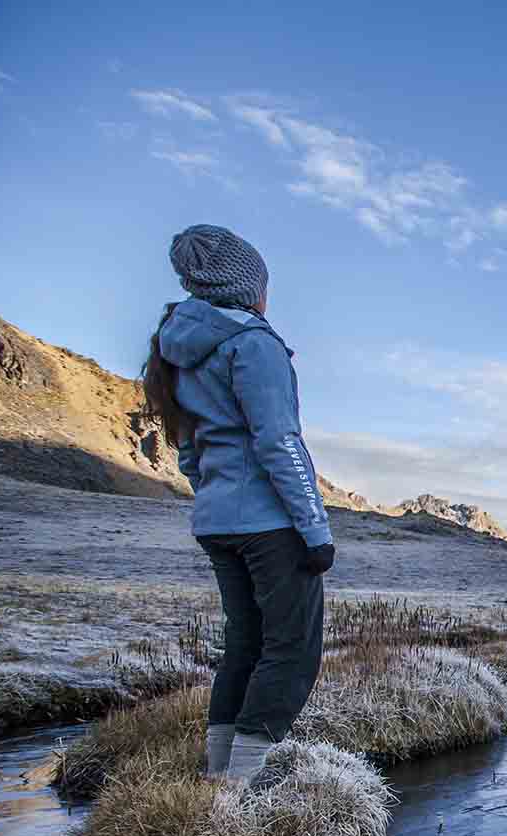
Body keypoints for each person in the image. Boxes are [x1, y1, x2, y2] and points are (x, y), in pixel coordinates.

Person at [140, 224, 334, 783]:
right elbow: (279, 443)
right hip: (269, 523)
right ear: (247, 286)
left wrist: (215, 500)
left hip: (217, 522)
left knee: (244, 646)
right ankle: (236, 795)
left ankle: (216, 779)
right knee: (291, 651)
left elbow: (189, 448)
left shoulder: (175, 349)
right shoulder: (254, 343)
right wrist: (314, 529)